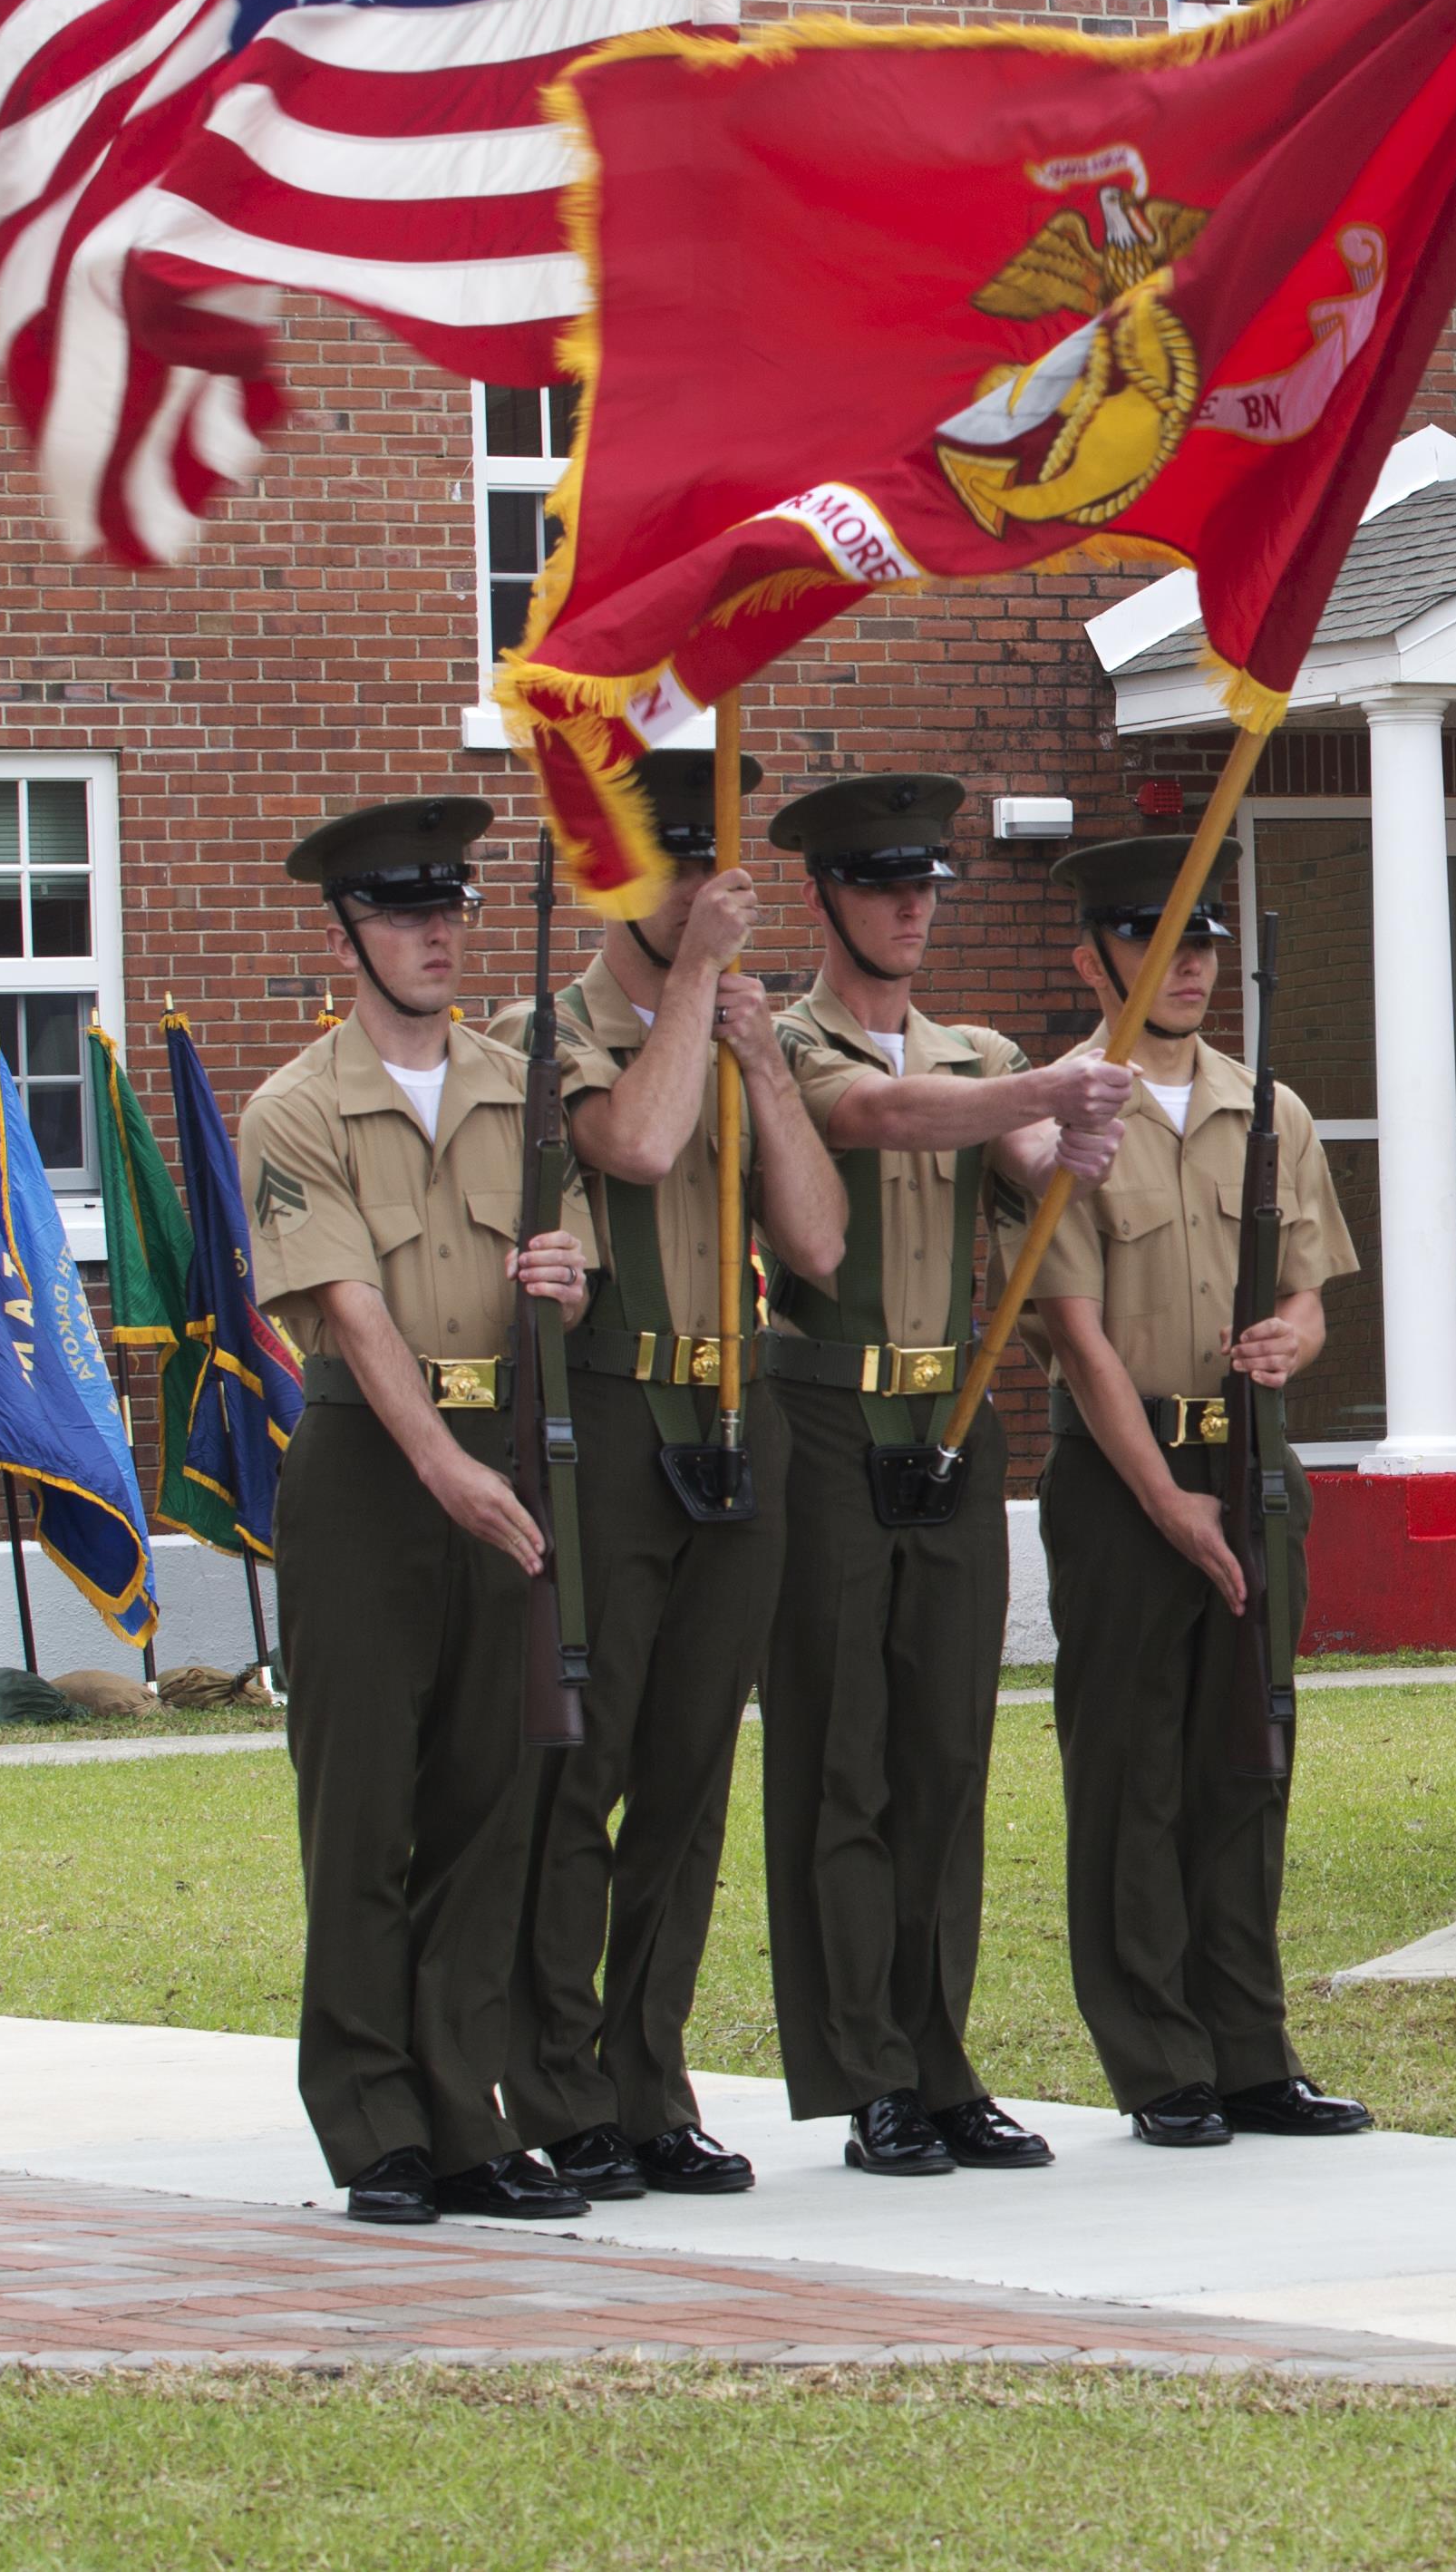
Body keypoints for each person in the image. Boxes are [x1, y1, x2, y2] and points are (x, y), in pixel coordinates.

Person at [755, 772, 1133, 2180]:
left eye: (925, 887)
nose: (910, 909)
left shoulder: (971, 1049)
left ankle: (940, 2056)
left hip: (955, 1423)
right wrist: (1040, 1090)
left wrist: (1066, 1143)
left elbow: (1031, 1163)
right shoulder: (787, 1048)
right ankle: (865, 2072)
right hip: (826, 1422)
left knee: (945, 1759)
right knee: (842, 1753)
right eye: (881, 886)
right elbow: (883, 1121)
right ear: (826, 899)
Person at [239, 797, 597, 2228]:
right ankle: (373, 2119)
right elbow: (346, 1307)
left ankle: (463, 2116)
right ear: (348, 934)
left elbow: (578, 1270)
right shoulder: (297, 1107)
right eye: (402, 913)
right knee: (364, 1806)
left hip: (506, 1444)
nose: (436, 934)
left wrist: (572, 1277)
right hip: (375, 1474)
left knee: (486, 1799)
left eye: (450, 907)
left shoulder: (526, 1089)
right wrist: (449, 1472)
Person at [500, 750, 847, 2203]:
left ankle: (653, 2080)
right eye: (682, 864)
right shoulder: (550, 1032)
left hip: (734, 1415)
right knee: (589, 1763)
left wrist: (763, 1061)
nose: (718, 889)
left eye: (722, 862)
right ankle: (561, 2084)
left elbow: (820, 1250)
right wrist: (700, 983)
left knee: (694, 1776)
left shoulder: (741, 1031)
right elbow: (634, 1146)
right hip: (611, 1421)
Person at [1029, 834, 1373, 2148]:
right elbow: (1071, 1327)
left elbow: (1308, 1287)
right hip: (1130, 1474)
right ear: (1092, 956)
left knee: (1248, 1753)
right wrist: (1164, 1502)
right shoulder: (1069, 1114)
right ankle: (1159, 2060)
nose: (1189, 968)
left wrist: (1296, 1337)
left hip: (1250, 1458)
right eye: (1154, 940)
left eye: (1205, 944)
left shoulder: (1264, 1106)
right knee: (1132, 1767)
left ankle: (1250, 2050)